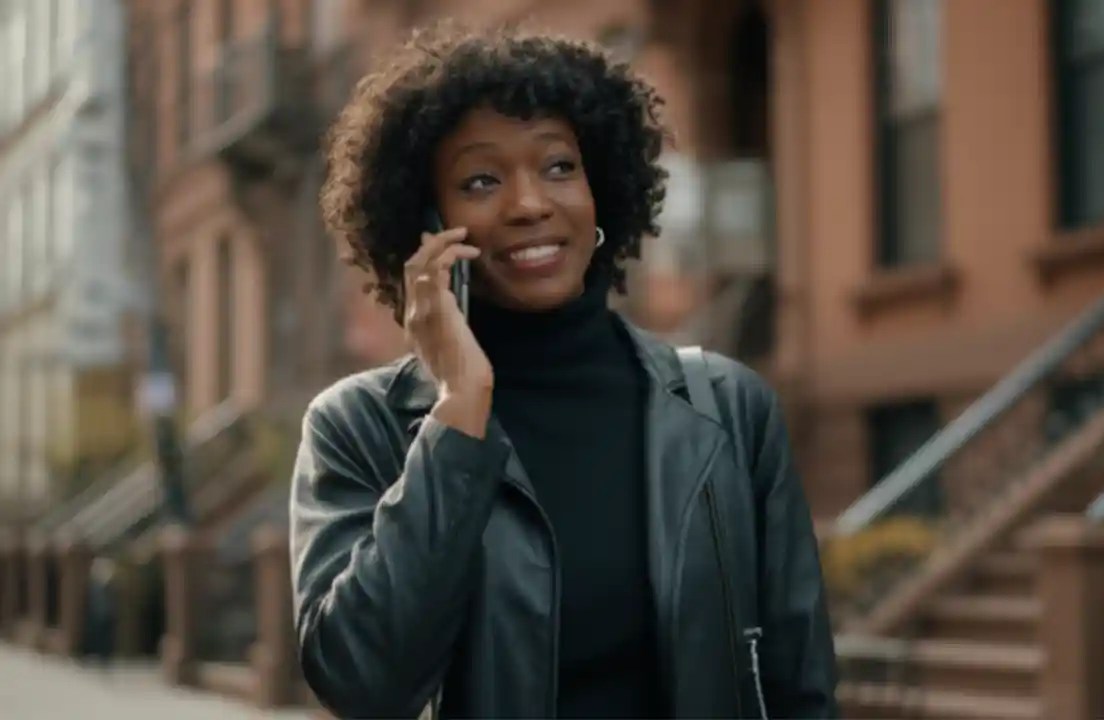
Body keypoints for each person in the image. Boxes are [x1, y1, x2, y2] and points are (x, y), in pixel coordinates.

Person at [290, 22, 836, 720]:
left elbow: (802, 687)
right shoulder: (358, 428)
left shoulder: (729, 410)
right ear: (425, 224)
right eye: (481, 180)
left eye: (558, 167)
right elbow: (363, 680)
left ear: (600, 190)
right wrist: (460, 405)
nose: (528, 204)